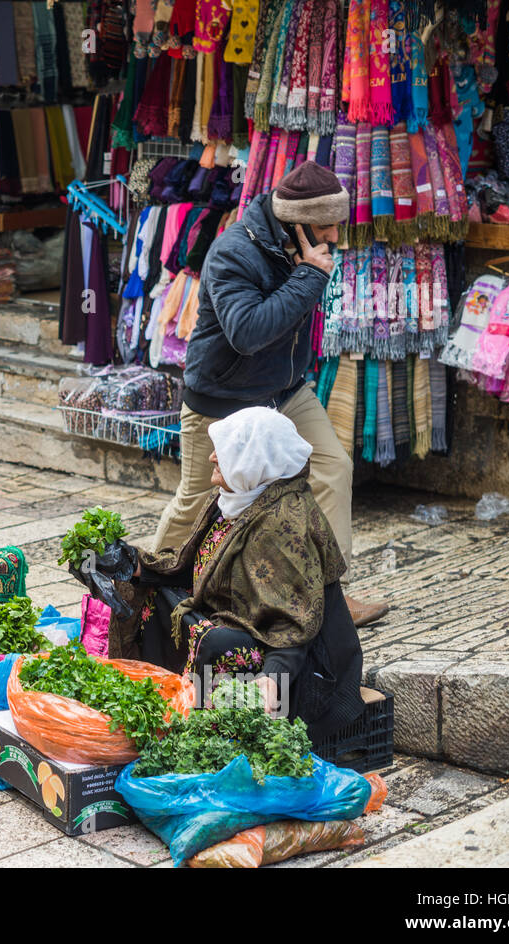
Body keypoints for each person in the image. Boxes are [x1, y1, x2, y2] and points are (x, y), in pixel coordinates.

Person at [153, 161, 389, 627]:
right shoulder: (234, 251)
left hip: (283, 394)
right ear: (294, 221)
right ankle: (150, 586)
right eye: (325, 226)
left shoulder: (305, 247)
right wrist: (308, 278)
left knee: (332, 467)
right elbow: (246, 332)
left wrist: (307, 275)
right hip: (221, 399)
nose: (334, 237)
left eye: (337, 225)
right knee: (198, 498)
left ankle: (329, 604)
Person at [135, 407, 364, 740]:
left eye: (224, 450)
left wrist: (271, 682)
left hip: (305, 673)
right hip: (258, 629)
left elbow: (292, 626)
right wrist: (137, 566)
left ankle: (223, 731)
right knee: (158, 598)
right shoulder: (236, 500)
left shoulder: (285, 526)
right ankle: (168, 701)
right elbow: (195, 568)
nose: (213, 457)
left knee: (218, 643)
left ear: (255, 460)